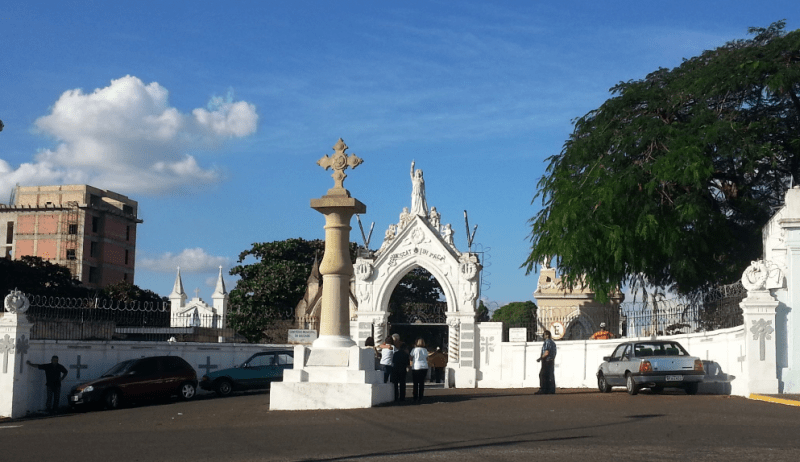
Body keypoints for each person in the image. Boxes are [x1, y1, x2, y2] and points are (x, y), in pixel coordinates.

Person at [535, 330, 557, 394]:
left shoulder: (547, 342)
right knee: (550, 375)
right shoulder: (553, 343)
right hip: (551, 360)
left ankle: (543, 389)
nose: (543, 336)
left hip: (546, 361)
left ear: (547, 335)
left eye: (544, 335)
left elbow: (546, 352)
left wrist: (540, 358)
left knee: (542, 375)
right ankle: (551, 390)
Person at [410, 338, 429, 403]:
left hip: (416, 367)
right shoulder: (425, 350)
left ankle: (415, 397)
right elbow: (427, 357)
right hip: (424, 366)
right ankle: (421, 397)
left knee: (415, 383)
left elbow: (411, 358)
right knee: (421, 383)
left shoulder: (414, 350)